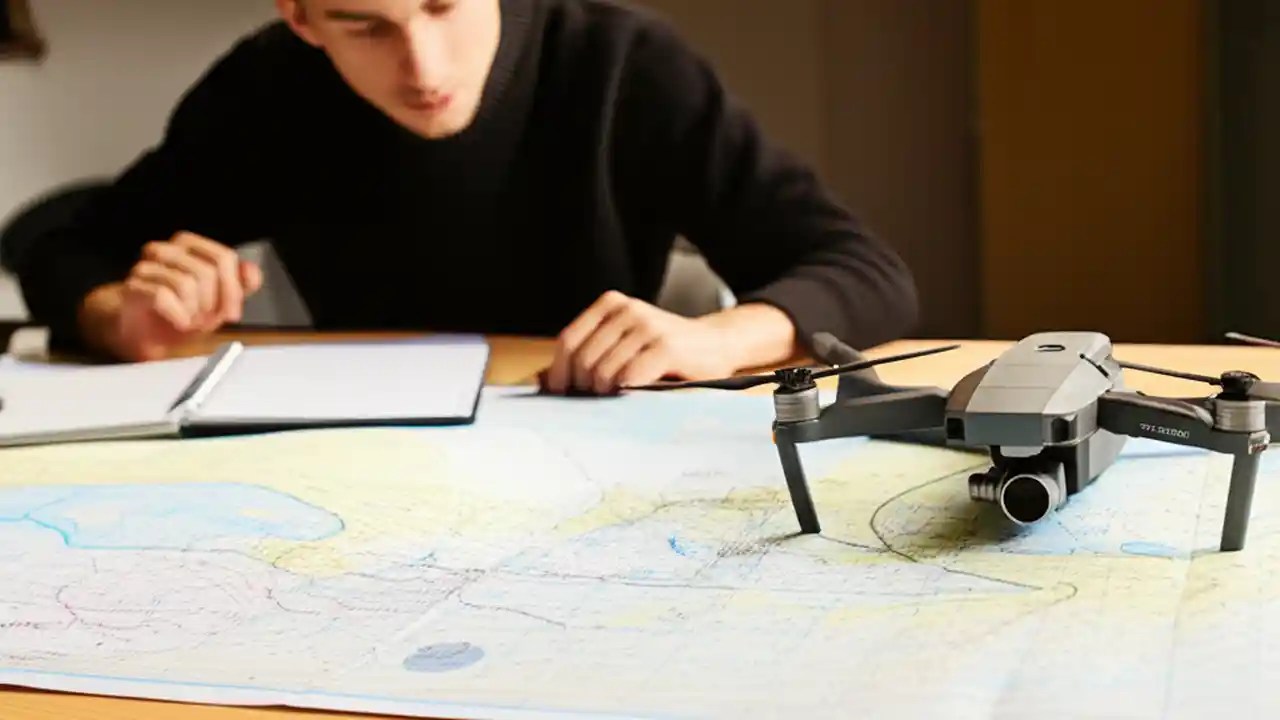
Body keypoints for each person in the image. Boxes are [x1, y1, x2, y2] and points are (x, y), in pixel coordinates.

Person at [15, 0, 920, 396]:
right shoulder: (269, 89)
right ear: (299, 16)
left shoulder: (625, 65)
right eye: (365, 26)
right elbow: (56, 234)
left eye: (444, 5)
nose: (424, 71)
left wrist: (710, 338)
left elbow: (863, 270)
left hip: (601, 464)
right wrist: (112, 314)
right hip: (359, 482)